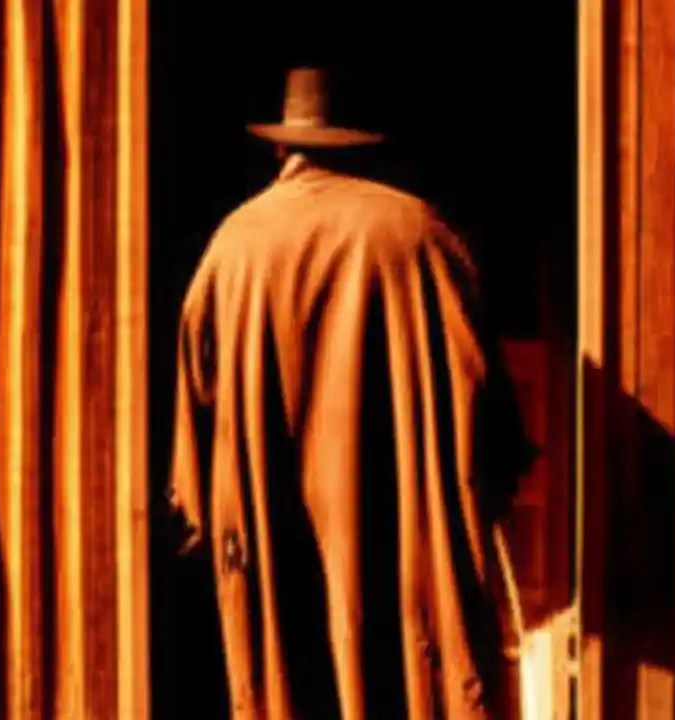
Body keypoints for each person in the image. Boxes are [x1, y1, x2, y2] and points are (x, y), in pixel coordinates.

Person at [166, 66, 534, 719]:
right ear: (365, 145)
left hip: (283, 594)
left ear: (281, 147)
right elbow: (492, 432)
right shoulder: (421, 237)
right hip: (412, 611)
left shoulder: (231, 249)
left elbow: (193, 472)